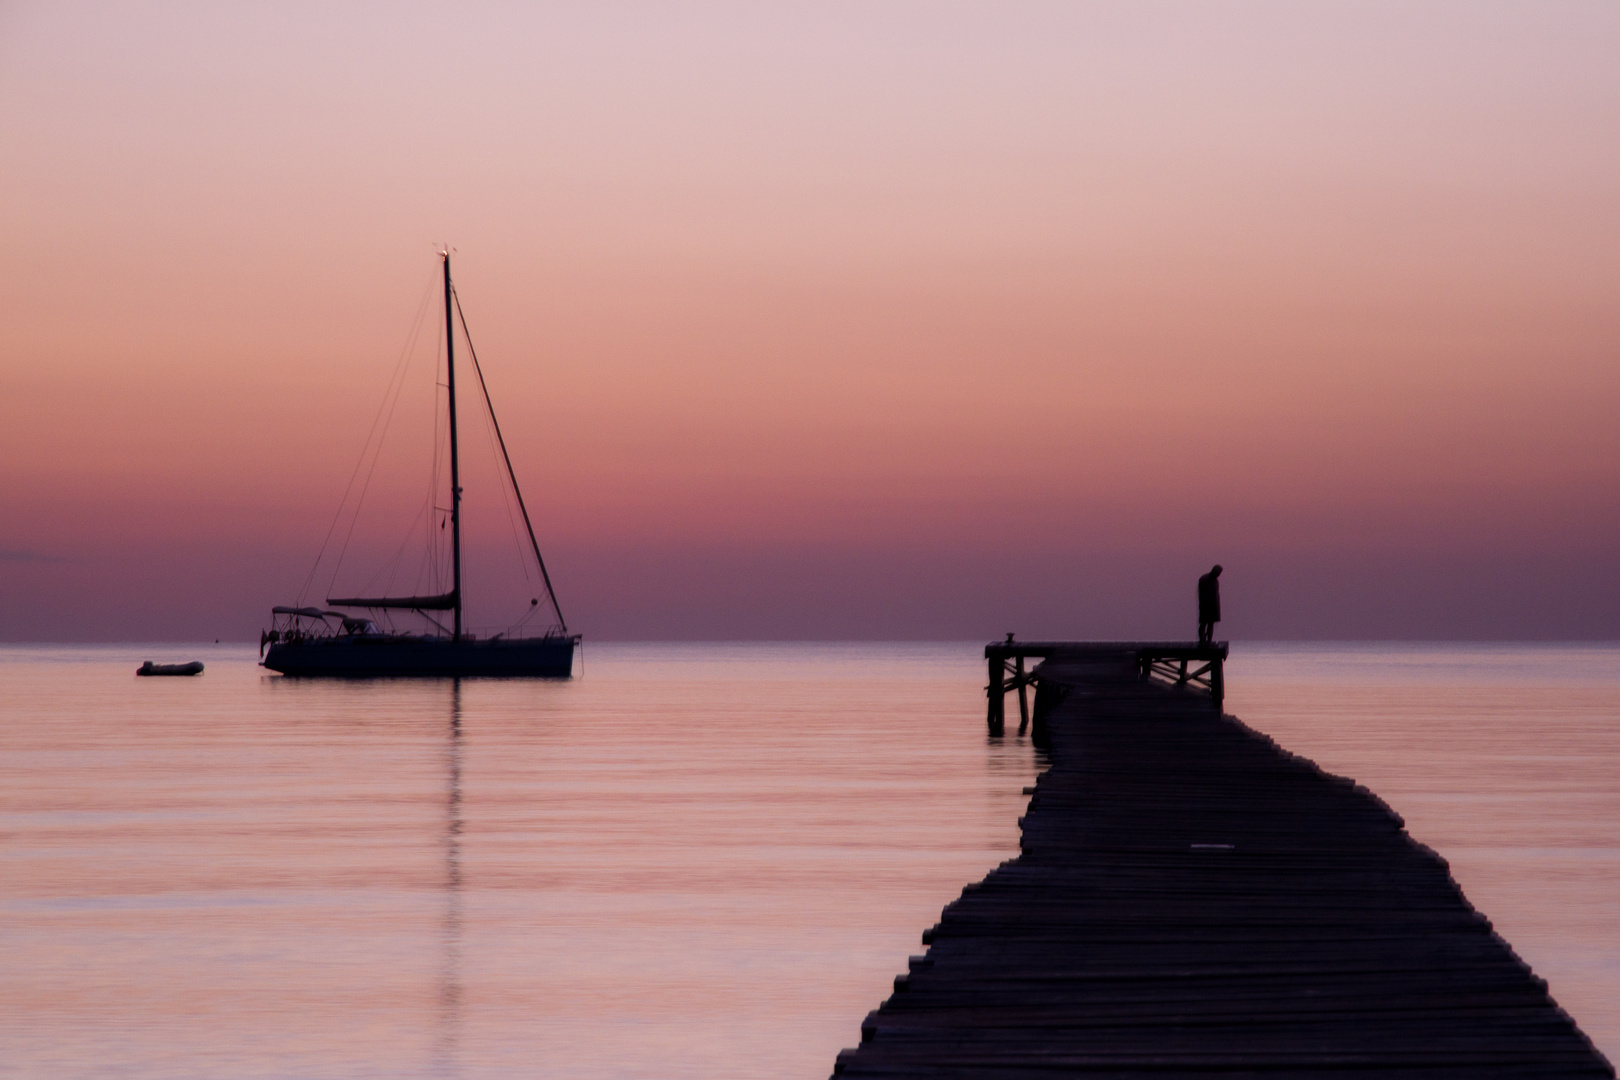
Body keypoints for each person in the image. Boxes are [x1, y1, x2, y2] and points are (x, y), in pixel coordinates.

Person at [1197, 565, 1222, 644]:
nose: (1218, 574)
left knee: (1211, 624)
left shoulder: (1215, 581)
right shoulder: (1204, 579)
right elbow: (1202, 594)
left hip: (1214, 606)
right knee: (1203, 624)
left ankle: (1209, 641)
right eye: (1218, 572)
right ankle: (1202, 640)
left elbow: (1216, 594)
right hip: (1205, 606)